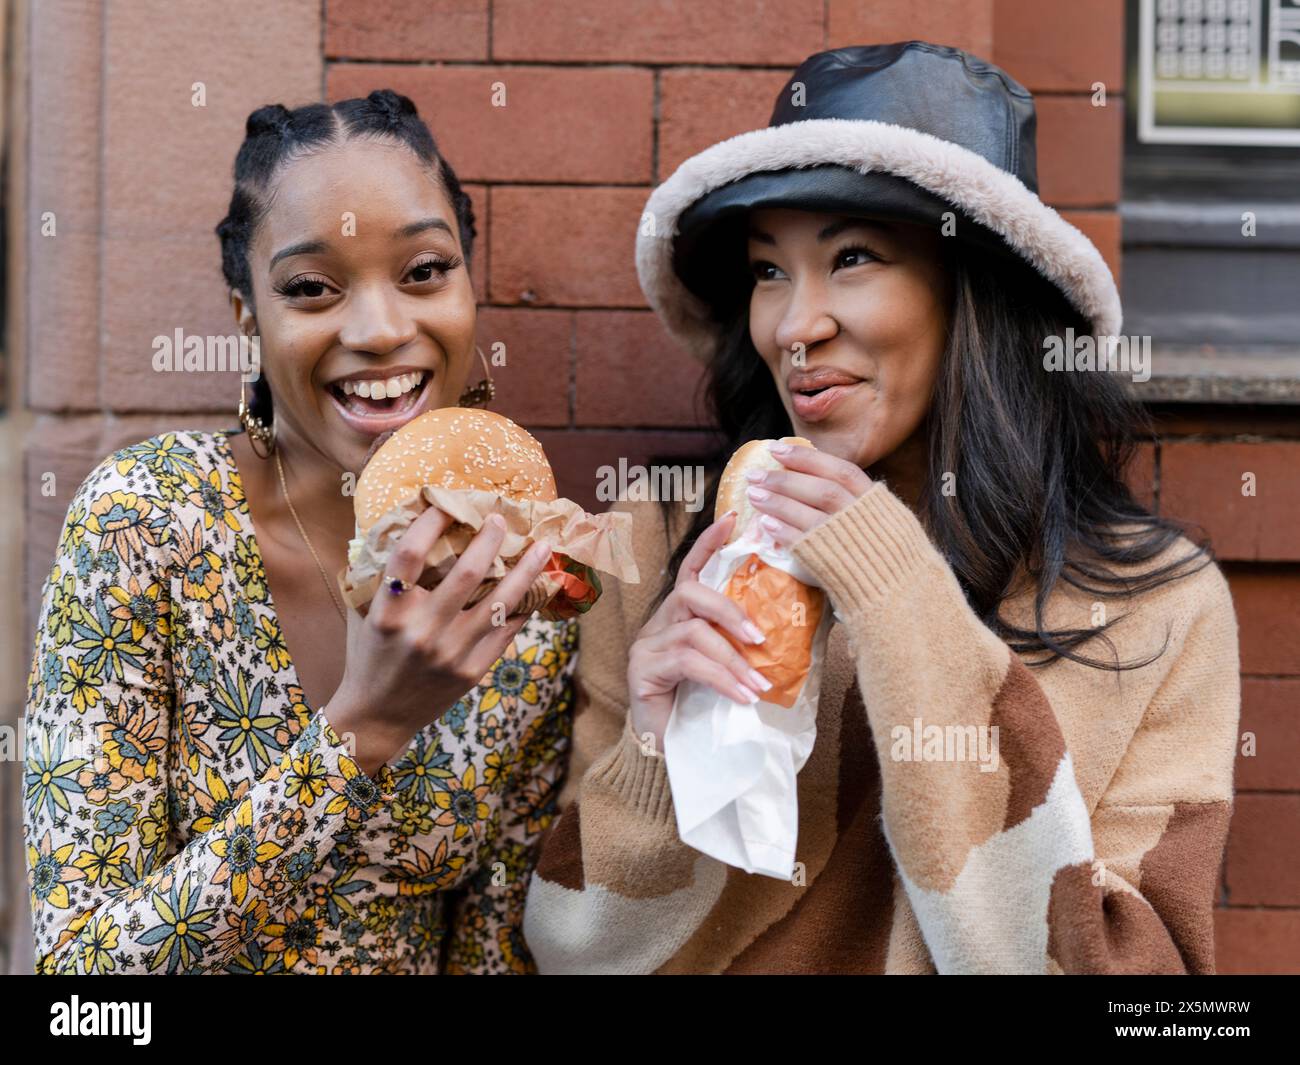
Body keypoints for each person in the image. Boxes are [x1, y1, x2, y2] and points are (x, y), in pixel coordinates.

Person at [523, 42, 1241, 974]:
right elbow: (573, 951)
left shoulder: (1159, 605)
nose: (794, 326)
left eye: (852, 257)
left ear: (973, 291)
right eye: (768, 271)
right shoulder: (663, 551)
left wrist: (901, 596)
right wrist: (656, 757)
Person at [23, 89, 573, 974]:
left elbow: (489, 947)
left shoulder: (518, 587)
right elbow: (78, 994)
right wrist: (362, 731)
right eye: (312, 288)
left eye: (425, 270)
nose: (381, 328)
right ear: (249, 316)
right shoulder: (146, 523)